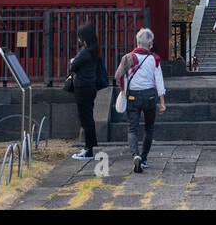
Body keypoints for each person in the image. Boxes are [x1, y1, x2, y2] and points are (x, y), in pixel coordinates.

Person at [116, 27, 166, 173]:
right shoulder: (154, 59)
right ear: (150, 43)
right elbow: (159, 81)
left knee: (132, 128)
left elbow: (121, 76)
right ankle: (143, 159)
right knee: (149, 128)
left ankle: (135, 155)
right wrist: (162, 101)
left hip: (133, 96)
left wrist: (124, 93)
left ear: (137, 41)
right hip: (150, 96)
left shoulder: (128, 58)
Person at [67, 23, 108, 160]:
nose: (79, 40)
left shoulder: (85, 52)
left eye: (80, 37)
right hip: (90, 87)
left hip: (82, 87)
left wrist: (72, 61)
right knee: (88, 118)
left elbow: (72, 67)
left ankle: (88, 150)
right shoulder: (94, 51)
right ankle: (90, 146)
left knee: (85, 119)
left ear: (84, 37)